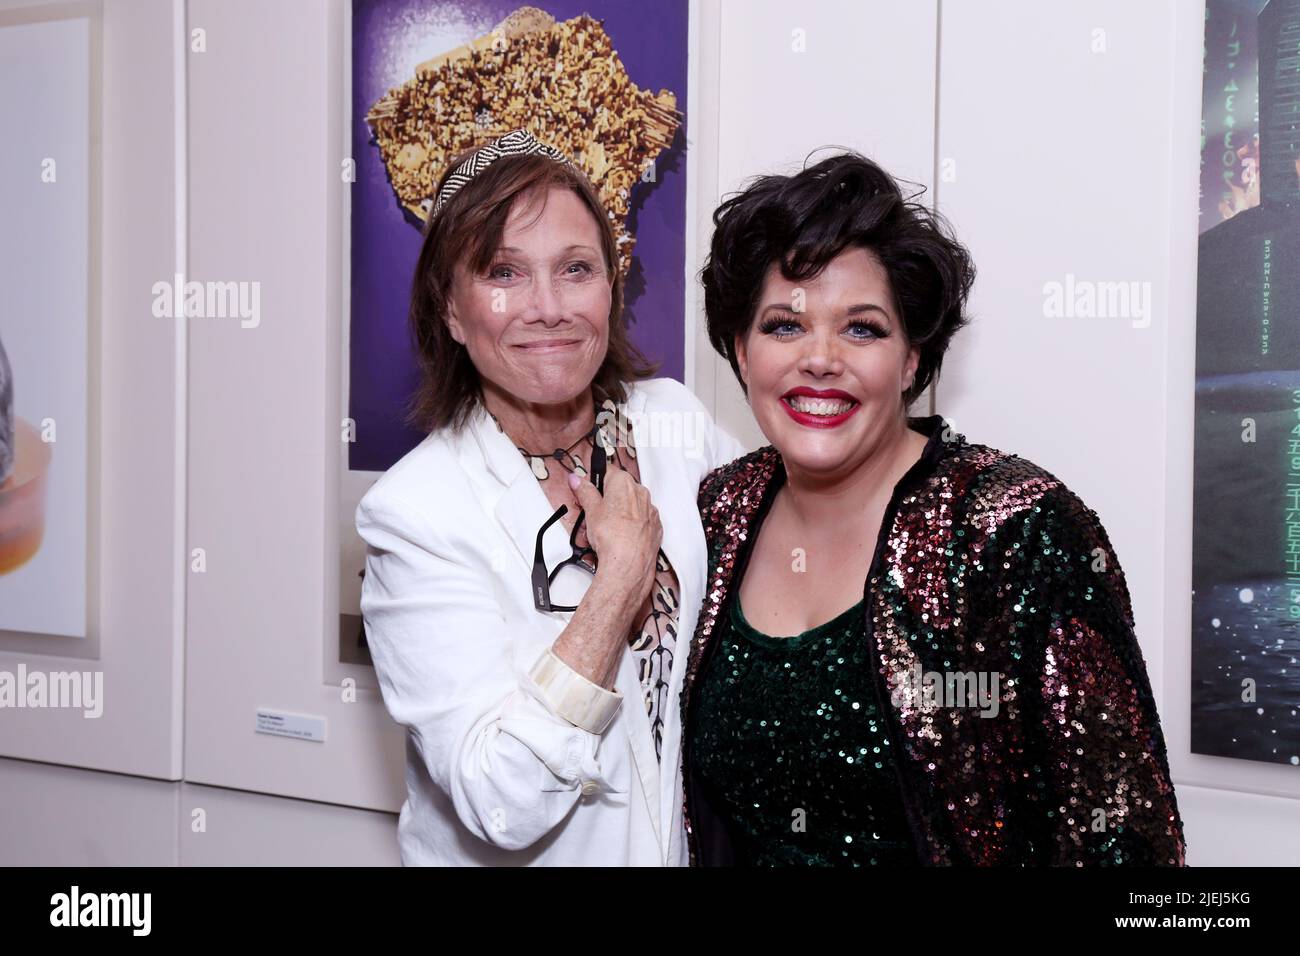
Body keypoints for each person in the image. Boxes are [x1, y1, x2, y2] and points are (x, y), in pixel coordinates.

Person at [679, 150, 1187, 866]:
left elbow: (1126, 841)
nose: (820, 358)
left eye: (862, 328)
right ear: (740, 348)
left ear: (913, 359)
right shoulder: (716, 512)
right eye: (784, 326)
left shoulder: (1016, 528)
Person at [356, 129, 746, 866]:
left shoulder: (674, 423)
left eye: (575, 269)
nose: (548, 307)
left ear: (612, 288)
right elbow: (499, 800)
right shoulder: (415, 514)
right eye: (503, 272)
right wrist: (618, 585)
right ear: (449, 310)